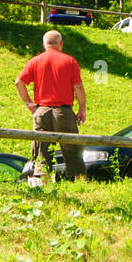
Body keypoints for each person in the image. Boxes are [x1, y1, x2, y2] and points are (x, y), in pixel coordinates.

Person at [14, 30, 87, 186]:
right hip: (64, 112)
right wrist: (82, 109)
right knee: (73, 150)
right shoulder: (69, 61)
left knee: (42, 152)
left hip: (41, 112)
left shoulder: (35, 61)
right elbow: (78, 87)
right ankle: (81, 187)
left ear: (44, 44)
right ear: (61, 44)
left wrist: (28, 103)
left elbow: (19, 82)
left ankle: (46, 189)